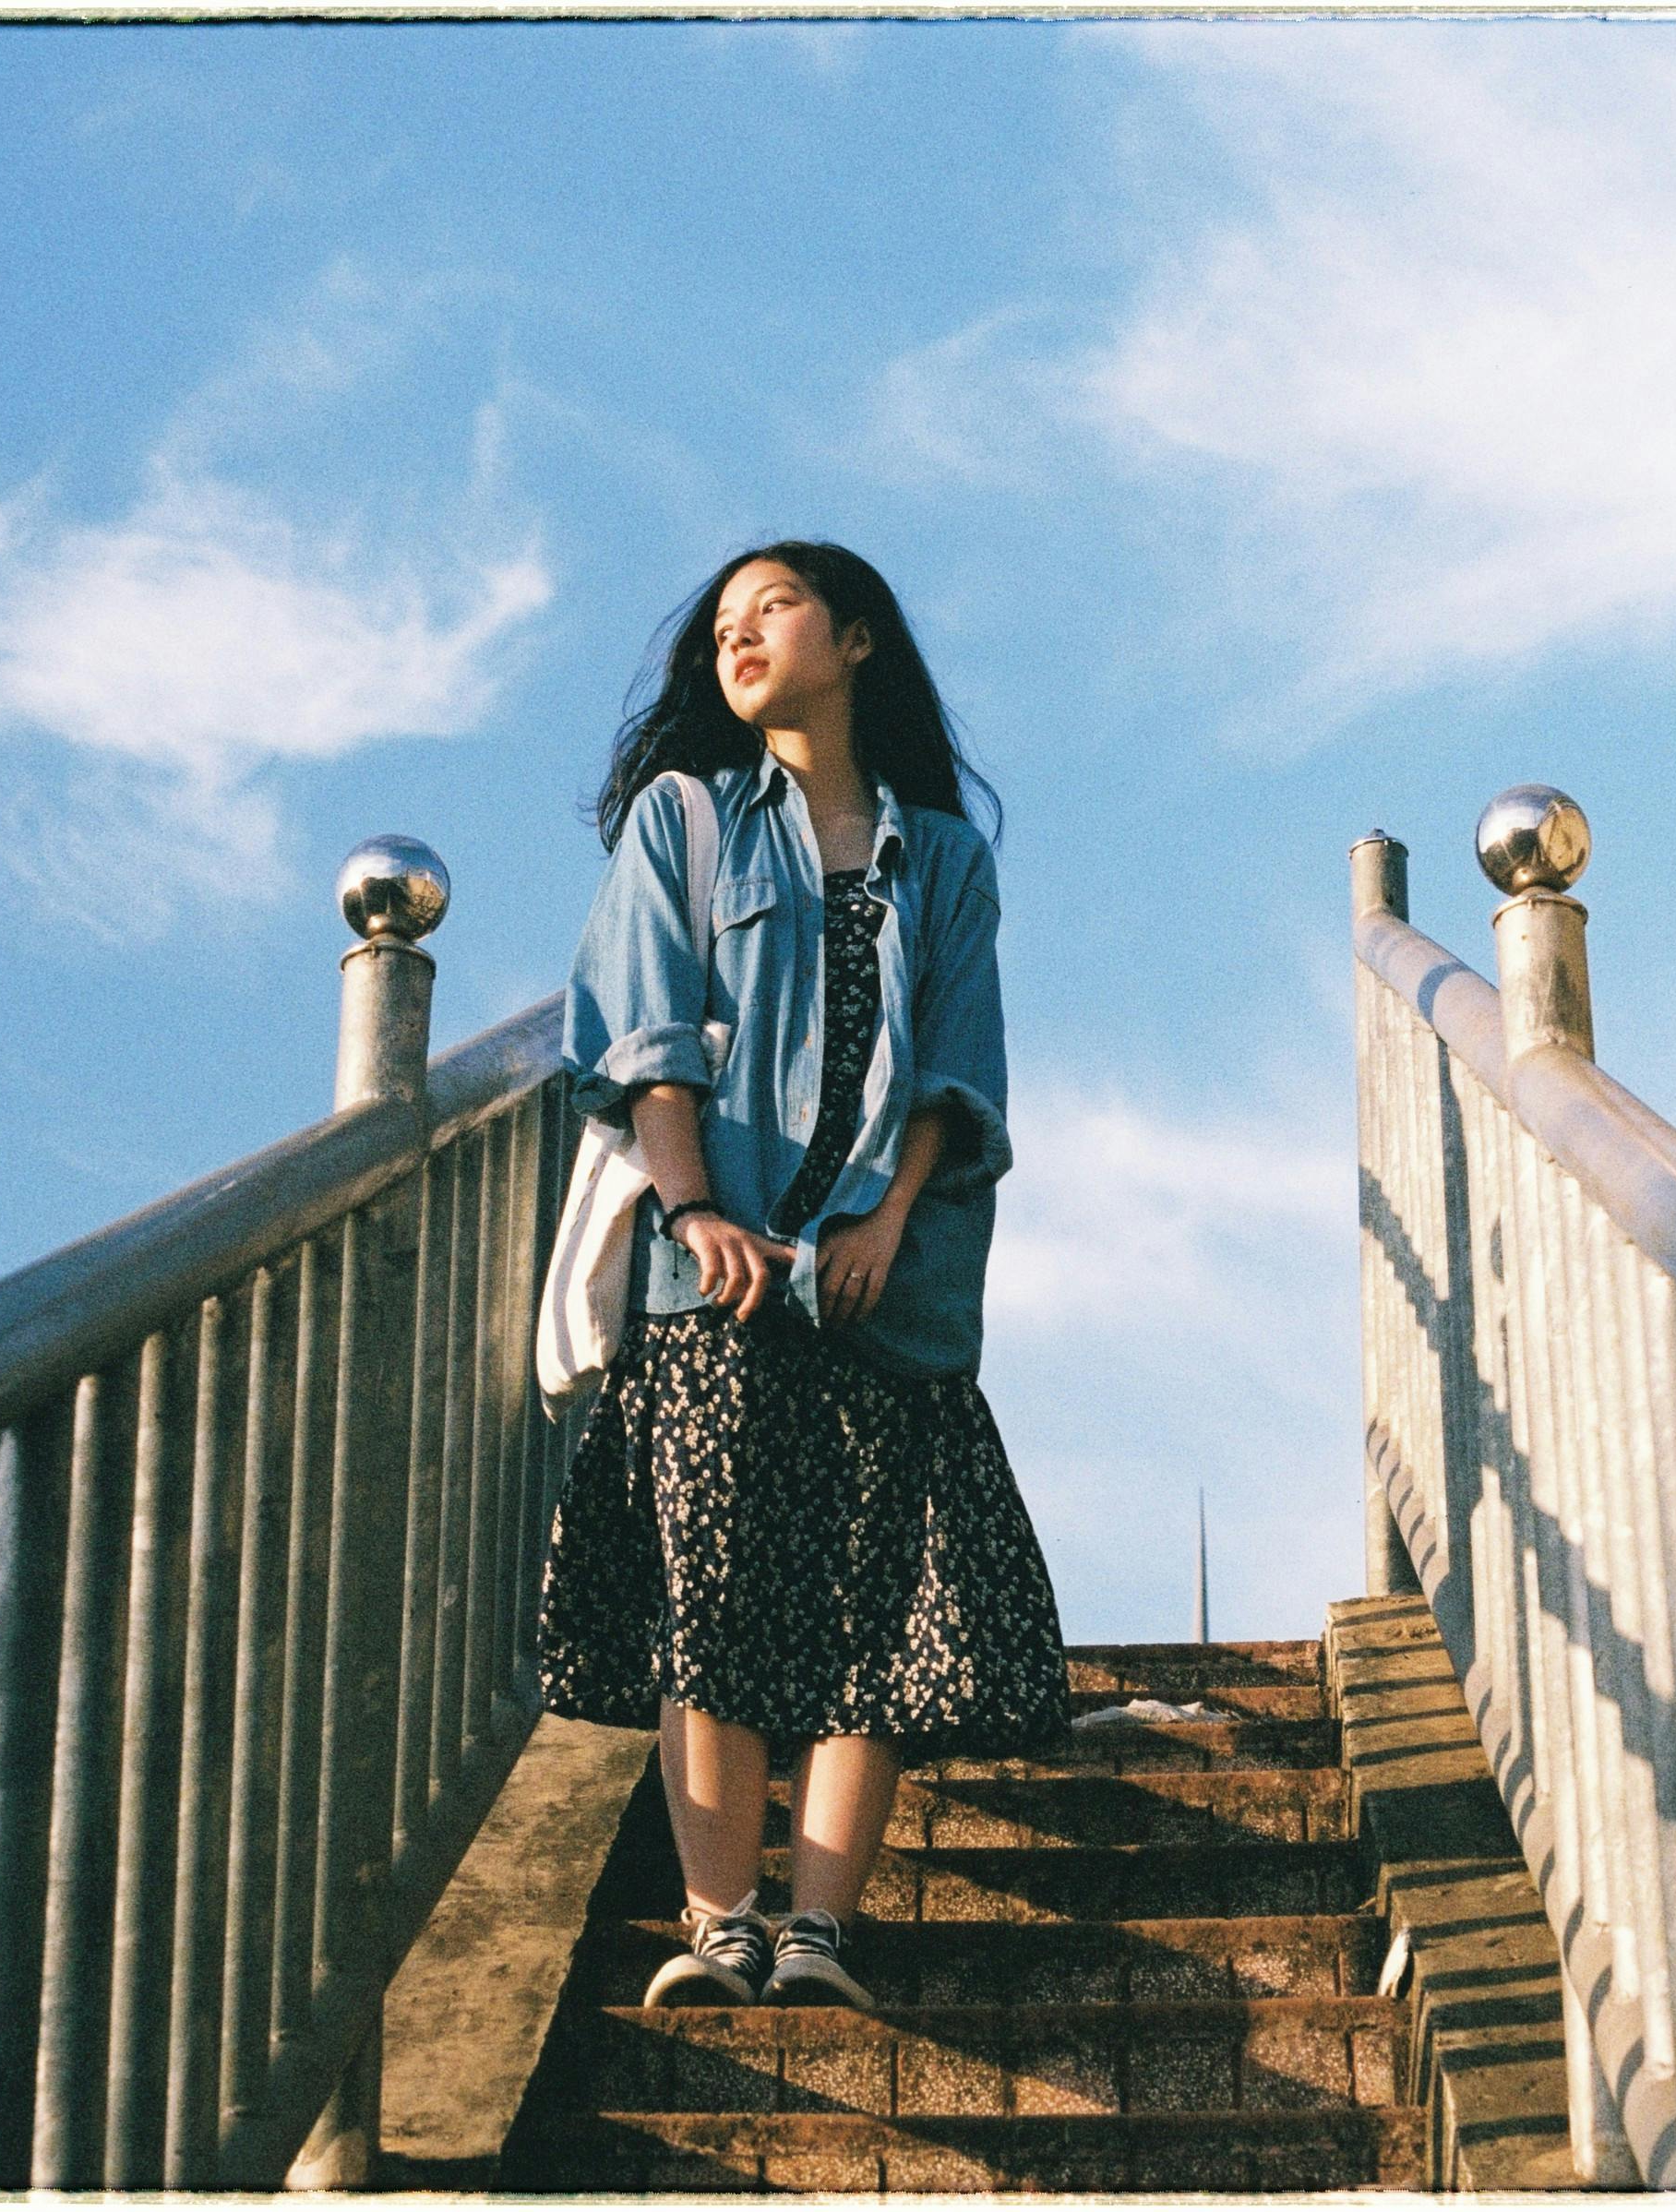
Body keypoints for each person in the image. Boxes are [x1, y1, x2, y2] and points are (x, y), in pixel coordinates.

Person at [536, 540, 1067, 2012]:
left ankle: (821, 1933)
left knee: (875, 1602)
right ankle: (722, 1923)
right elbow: (644, 1033)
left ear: (858, 639)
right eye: (720, 623)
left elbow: (961, 1069)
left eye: (771, 607)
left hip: (880, 1283)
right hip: (718, 1276)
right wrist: (694, 1208)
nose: (739, 635)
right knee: (708, 1589)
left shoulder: (944, 857)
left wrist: (891, 1217)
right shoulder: (687, 822)